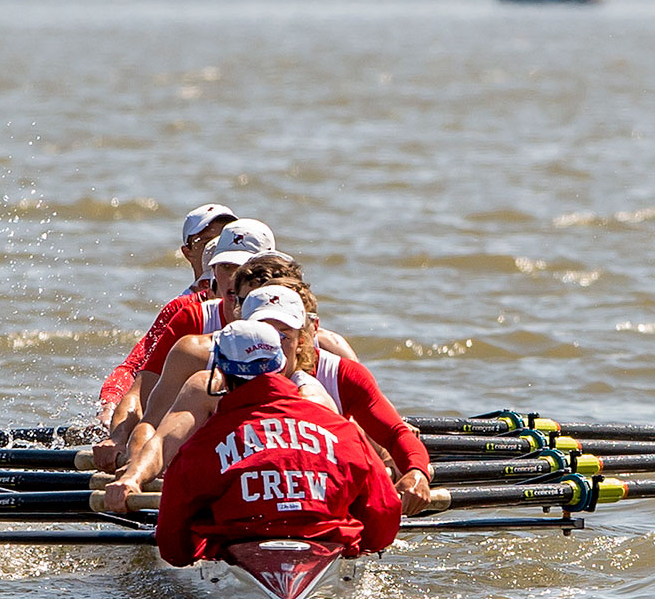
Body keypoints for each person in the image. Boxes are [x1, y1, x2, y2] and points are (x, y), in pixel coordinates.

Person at [105, 281, 433, 516]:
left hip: (301, 502)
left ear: (304, 339)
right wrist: (133, 478)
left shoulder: (332, 381)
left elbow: (393, 434)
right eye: (263, 332)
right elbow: (164, 441)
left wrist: (416, 472)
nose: (271, 344)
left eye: (284, 336)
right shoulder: (204, 385)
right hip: (228, 502)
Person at [152, 319, 401, 568]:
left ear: (222, 372)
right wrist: (360, 547)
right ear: (281, 365)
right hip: (325, 552)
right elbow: (385, 513)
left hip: (238, 558)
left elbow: (173, 549)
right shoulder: (342, 431)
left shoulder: (203, 445)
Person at [95, 218, 273, 467]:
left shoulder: (290, 324)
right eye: (226, 267)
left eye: (243, 269)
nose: (233, 279)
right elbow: (143, 399)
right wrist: (121, 441)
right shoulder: (189, 316)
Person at [96, 204, 237, 424]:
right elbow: (133, 368)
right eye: (205, 241)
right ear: (187, 252)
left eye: (225, 237)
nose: (217, 246)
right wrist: (110, 406)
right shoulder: (182, 311)